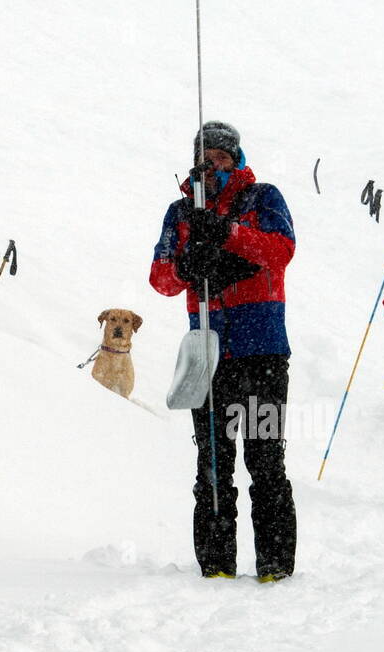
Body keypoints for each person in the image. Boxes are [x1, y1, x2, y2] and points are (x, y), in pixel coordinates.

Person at [149, 121, 297, 581]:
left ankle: (274, 563)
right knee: (212, 462)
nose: (210, 164)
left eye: (219, 157)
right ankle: (215, 563)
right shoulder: (180, 212)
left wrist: (227, 235)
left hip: (263, 355)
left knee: (265, 457)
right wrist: (186, 266)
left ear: (236, 159)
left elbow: (281, 249)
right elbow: (160, 280)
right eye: (203, 156)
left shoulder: (263, 198)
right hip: (207, 355)